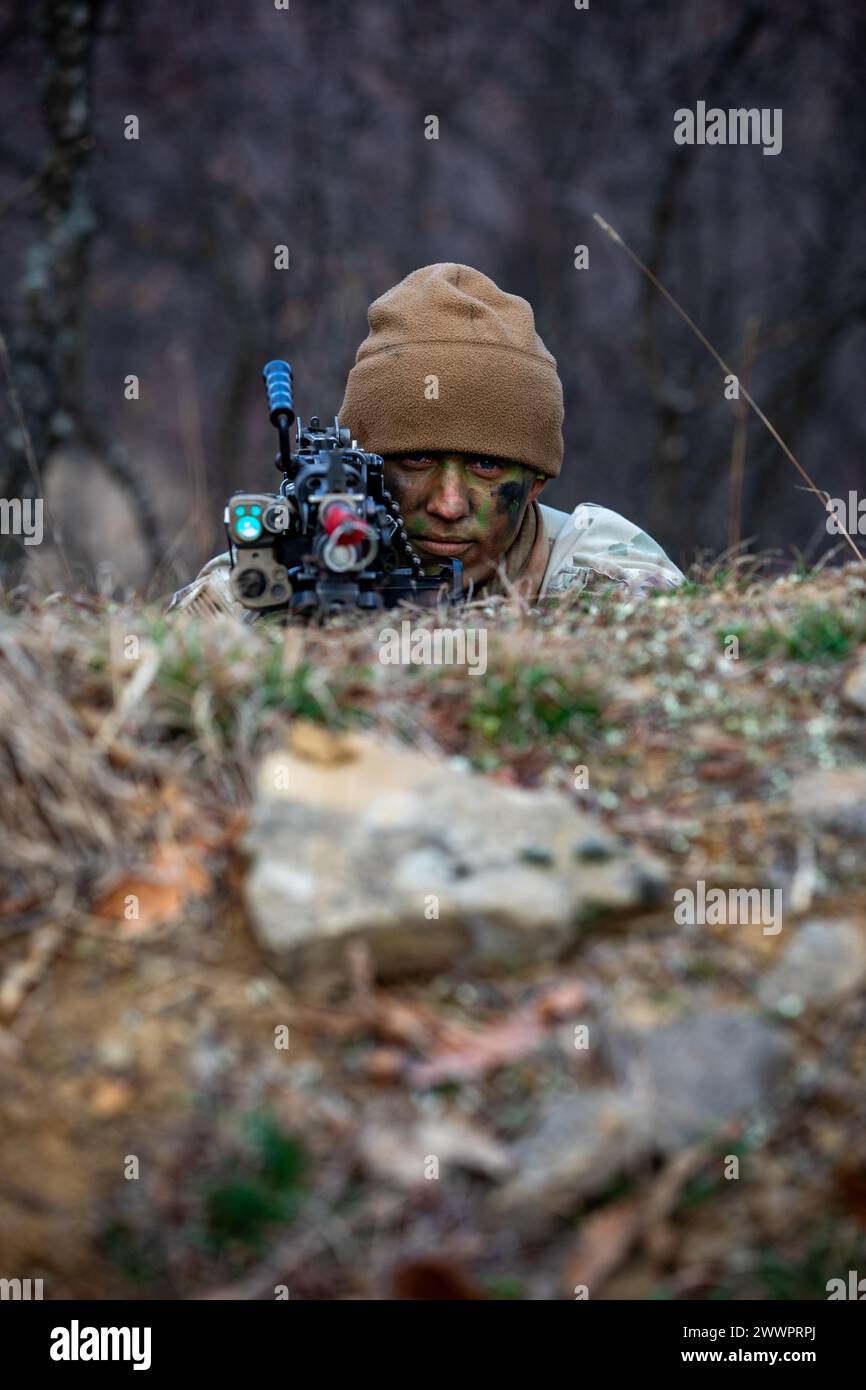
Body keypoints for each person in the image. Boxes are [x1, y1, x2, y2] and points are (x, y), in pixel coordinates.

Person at [168, 262, 683, 618]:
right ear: (362, 466)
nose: (448, 504)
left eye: (485, 466)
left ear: (535, 483)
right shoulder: (269, 581)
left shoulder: (600, 572)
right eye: (415, 459)